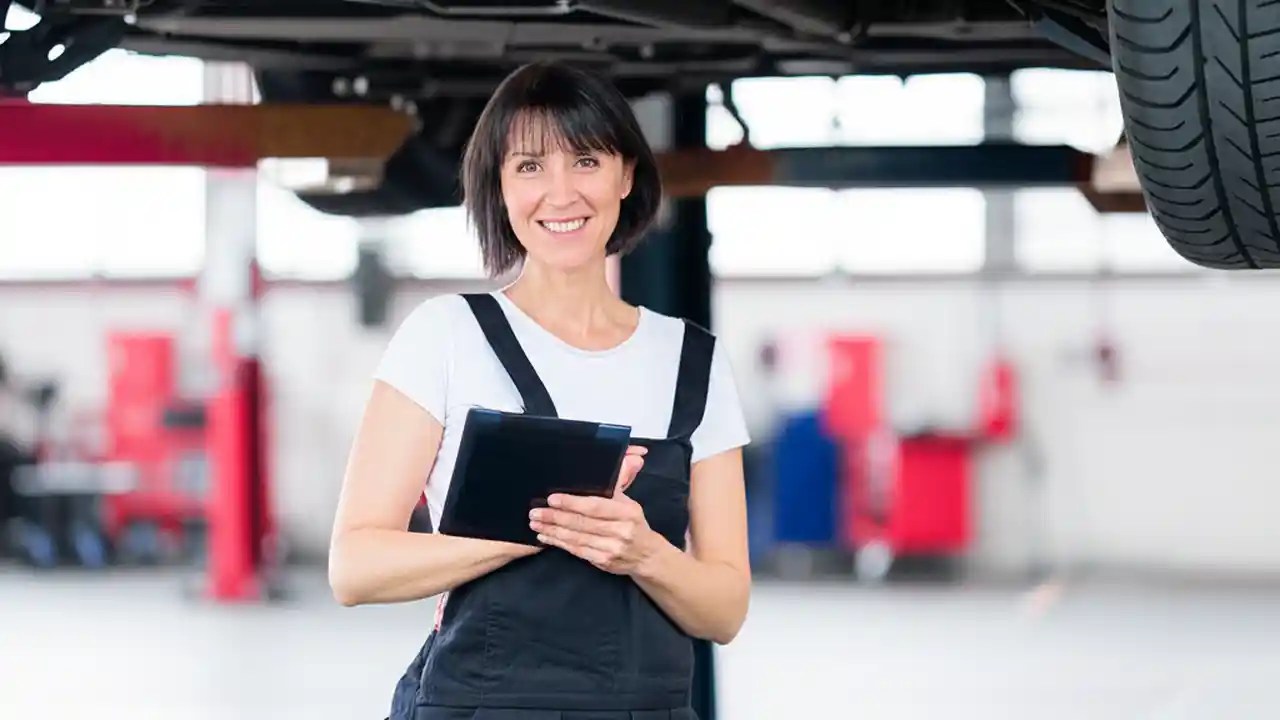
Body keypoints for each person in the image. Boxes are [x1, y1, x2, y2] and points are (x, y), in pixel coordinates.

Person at [329, 60, 752, 720]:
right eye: (529, 167)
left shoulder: (692, 361)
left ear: (626, 175)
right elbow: (354, 567)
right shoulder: (445, 337)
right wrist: (544, 529)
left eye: (585, 161)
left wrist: (642, 552)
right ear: (499, 188)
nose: (561, 194)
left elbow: (725, 609)